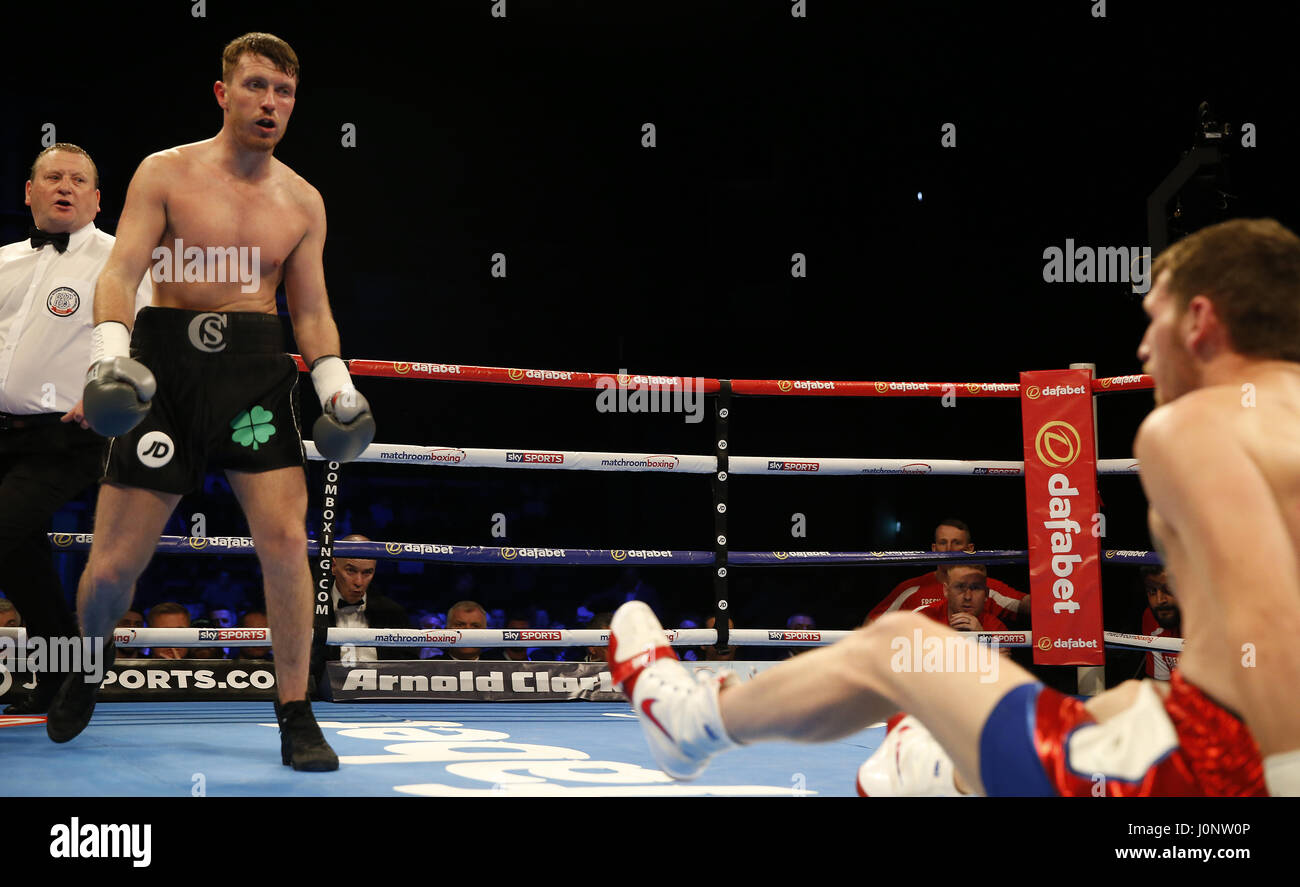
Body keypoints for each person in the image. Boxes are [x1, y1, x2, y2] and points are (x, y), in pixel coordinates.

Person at [610, 218, 1300, 796]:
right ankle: (936, 769)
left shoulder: (1195, 425)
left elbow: (1270, 648)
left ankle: (693, 719)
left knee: (899, 645)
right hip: (1219, 755)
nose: (1145, 349)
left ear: (1201, 320)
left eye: (1155, 319)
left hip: (1214, 781)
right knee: (1120, 704)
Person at [45, 33, 376, 773]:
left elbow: (313, 312)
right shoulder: (165, 172)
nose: (270, 103)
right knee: (109, 568)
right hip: (164, 370)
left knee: (289, 545)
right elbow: (122, 270)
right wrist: (109, 358)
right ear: (224, 93)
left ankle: (294, 708)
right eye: (256, 86)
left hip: (253, 376)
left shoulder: (303, 200)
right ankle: (86, 662)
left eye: (284, 91)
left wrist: (336, 387)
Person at [0, 144, 151, 715]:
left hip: (69, 434)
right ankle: (69, 677)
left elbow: (153, 341)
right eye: (52, 176)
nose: (64, 186)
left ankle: (76, 670)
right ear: (29, 192)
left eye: (77, 179)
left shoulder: (123, 260)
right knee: (22, 561)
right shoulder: (4, 260)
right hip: (3, 431)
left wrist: (109, 393)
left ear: (96, 198)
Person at [865, 519, 1028, 624]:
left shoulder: (986, 588)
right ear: (934, 549)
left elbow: (1028, 605)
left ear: (970, 549)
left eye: (956, 542)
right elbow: (870, 627)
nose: (949, 550)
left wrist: (1049, 568)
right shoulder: (911, 589)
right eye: (943, 543)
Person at [328, 535, 415, 662]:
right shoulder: (310, 610)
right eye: (350, 570)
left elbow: (408, 665)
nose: (358, 582)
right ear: (333, 566)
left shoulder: (392, 613)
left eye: (367, 572)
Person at [917, 565, 1007, 632]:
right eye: (960, 587)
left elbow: (998, 657)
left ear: (986, 594)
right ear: (946, 590)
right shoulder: (922, 618)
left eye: (975, 588)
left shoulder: (996, 628)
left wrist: (981, 637)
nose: (967, 597)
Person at [1140, 566, 1181, 681]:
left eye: (1168, 589)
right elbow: (1162, 685)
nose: (1160, 600)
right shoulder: (1152, 618)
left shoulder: (1219, 623)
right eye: (1152, 591)